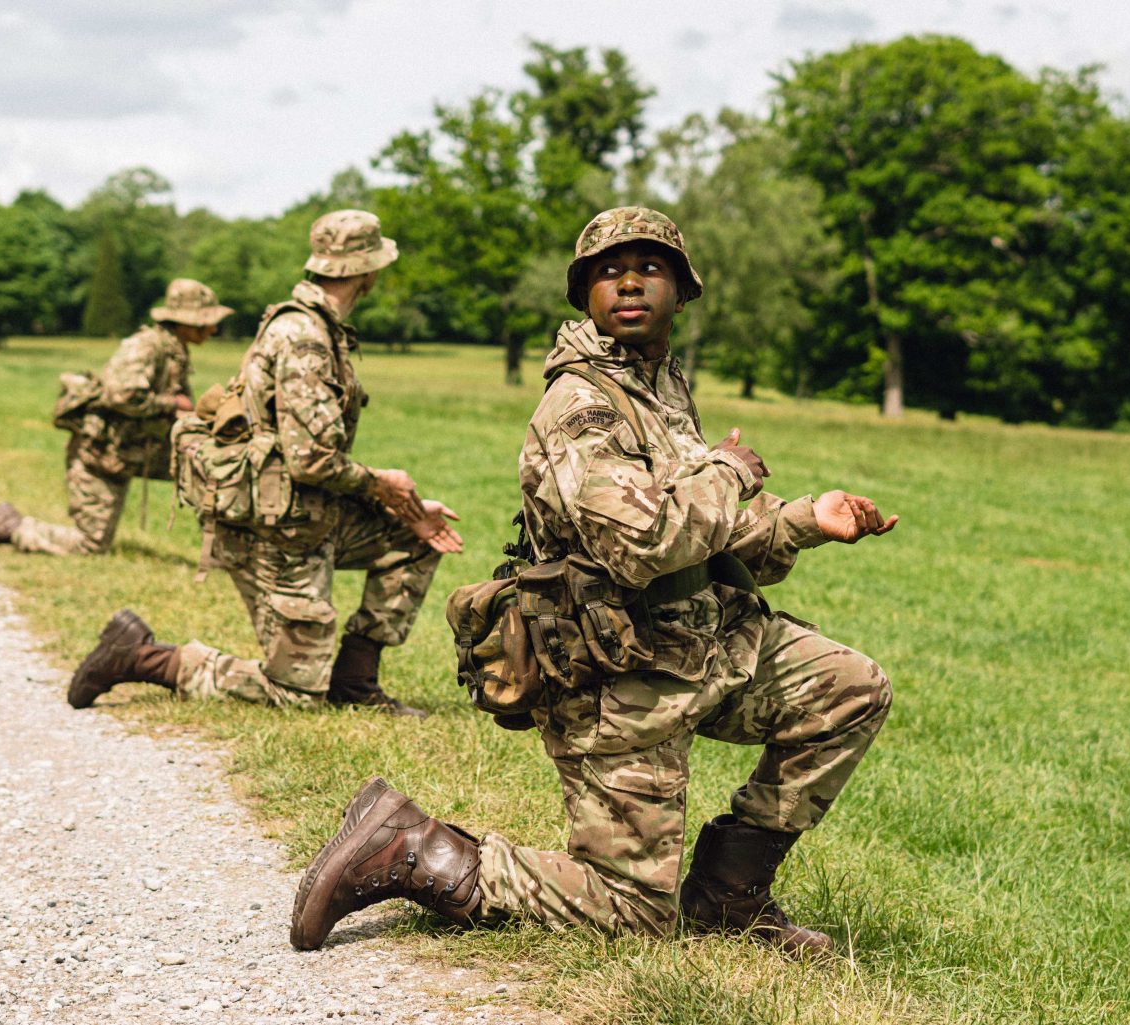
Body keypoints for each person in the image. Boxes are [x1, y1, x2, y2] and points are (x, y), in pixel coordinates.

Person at [289, 207, 897, 956]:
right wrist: (728, 469)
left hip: (704, 641)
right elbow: (641, 543)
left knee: (850, 689)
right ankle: (414, 848)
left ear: (682, 290)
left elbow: (702, 531)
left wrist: (805, 518)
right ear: (585, 296)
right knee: (632, 910)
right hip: (619, 674)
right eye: (609, 272)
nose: (629, 283)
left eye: (650, 268)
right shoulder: (581, 403)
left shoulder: (658, 383)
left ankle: (728, 896)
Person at [64, 210, 460, 718]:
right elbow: (310, 459)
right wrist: (383, 484)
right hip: (274, 530)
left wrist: (402, 508)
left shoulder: (320, 327)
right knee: (295, 693)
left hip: (306, 514)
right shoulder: (304, 336)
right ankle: (141, 656)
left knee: (417, 534)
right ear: (366, 270)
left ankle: (355, 683)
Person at [0, 278, 232, 558]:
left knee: (206, 465)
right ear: (185, 322)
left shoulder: (174, 349)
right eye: (206, 322)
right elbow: (120, 395)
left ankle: (223, 553)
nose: (213, 329)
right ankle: (11, 525)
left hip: (136, 449)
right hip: (101, 454)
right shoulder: (146, 346)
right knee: (90, 544)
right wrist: (171, 403)